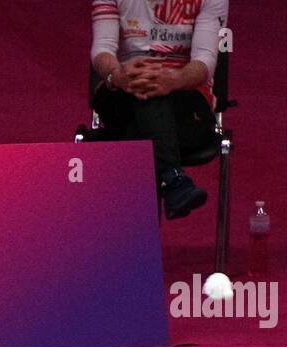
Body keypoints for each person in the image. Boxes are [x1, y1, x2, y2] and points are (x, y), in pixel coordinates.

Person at [90, 0, 229, 219]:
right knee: (148, 98)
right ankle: (172, 178)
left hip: (185, 97)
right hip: (123, 89)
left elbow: (205, 60)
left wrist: (172, 80)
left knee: (142, 129)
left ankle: (133, 246)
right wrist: (118, 75)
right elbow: (102, 48)